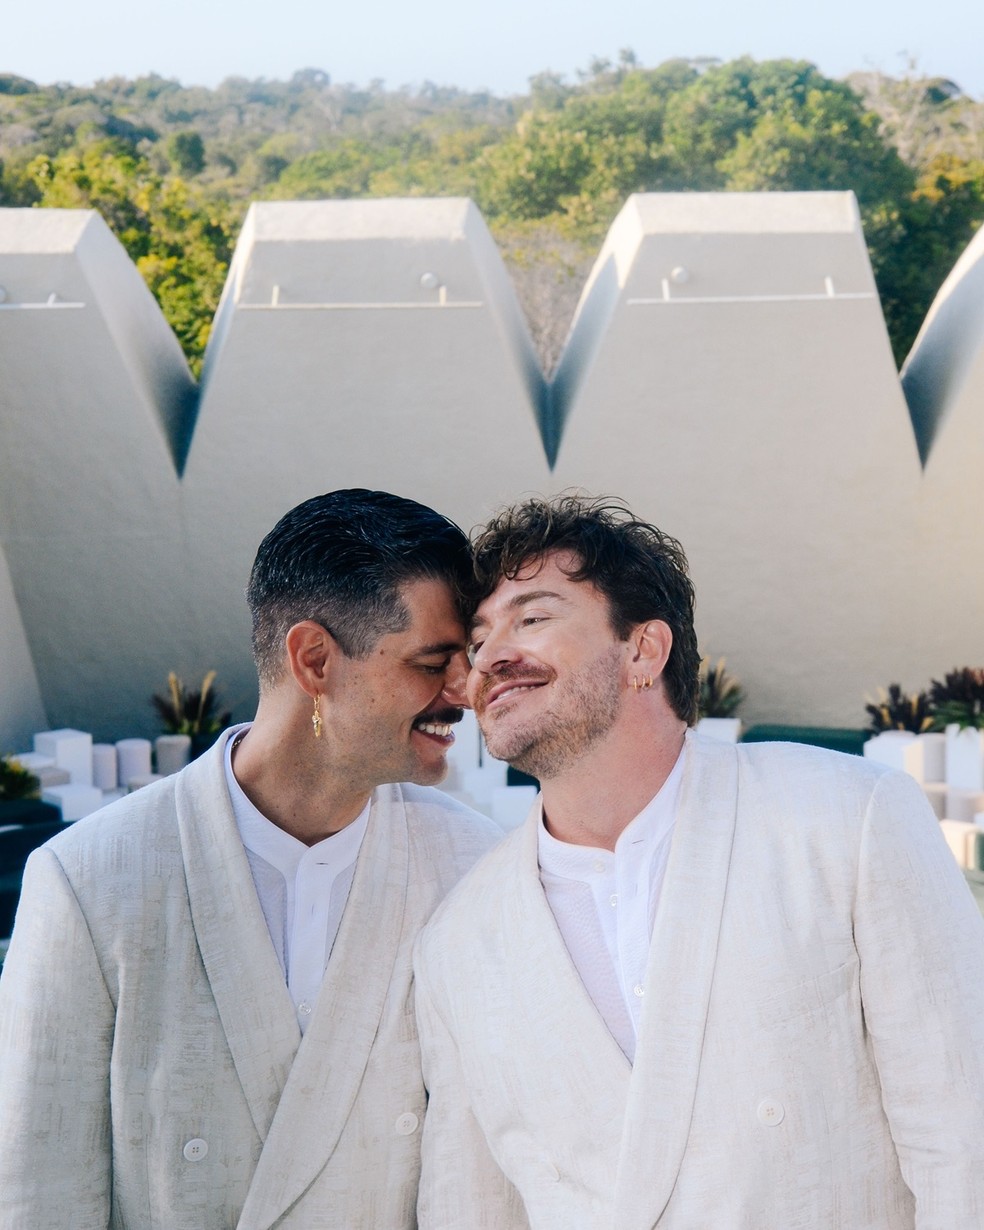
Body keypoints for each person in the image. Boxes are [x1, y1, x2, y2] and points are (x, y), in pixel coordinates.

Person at [414, 492, 984, 1229]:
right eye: (480, 636)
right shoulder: (456, 944)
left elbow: (962, 1140)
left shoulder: (847, 820)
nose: (490, 656)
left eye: (533, 617)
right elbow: (471, 1210)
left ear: (644, 651)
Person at [0, 488, 502, 1230]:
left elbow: (486, 1177)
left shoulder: (474, 866)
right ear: (314, 660)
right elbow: (41, 1194)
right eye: (434, 662)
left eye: (470, 659)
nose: (465, 690)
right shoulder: (89, 881)